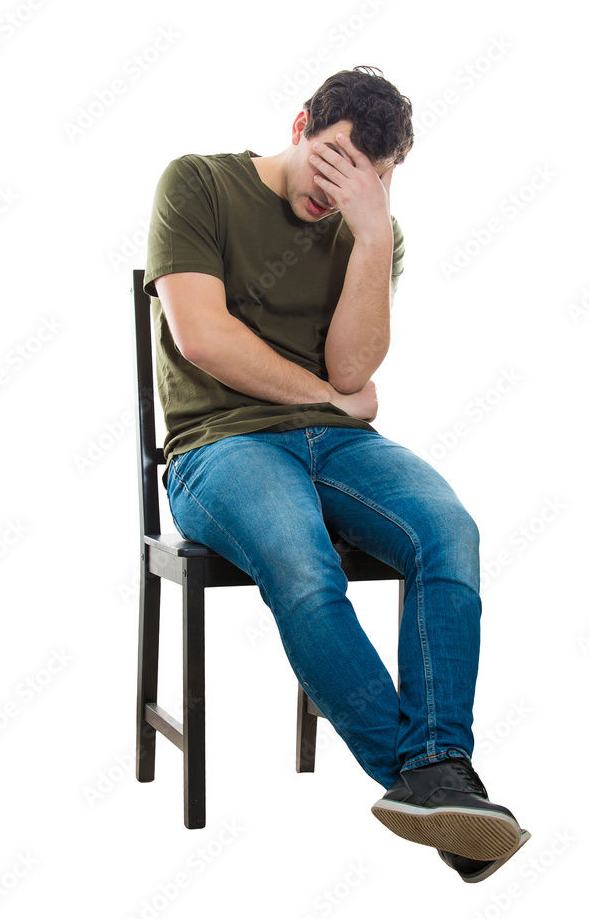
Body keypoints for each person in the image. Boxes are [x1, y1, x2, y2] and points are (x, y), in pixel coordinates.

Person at [143, 65, 530, 882]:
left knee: (447, 532)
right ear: (300, 124)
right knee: (301, 558)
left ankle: (438, 769)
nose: (345, 189)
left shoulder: (370, 226)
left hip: (336, 446)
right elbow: (203, 338)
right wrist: (327, 396)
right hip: (219, 446)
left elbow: (356, 367)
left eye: (374, 179)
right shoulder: (198, 183)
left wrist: (374, 235)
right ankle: (435, 789)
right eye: (336, 161)